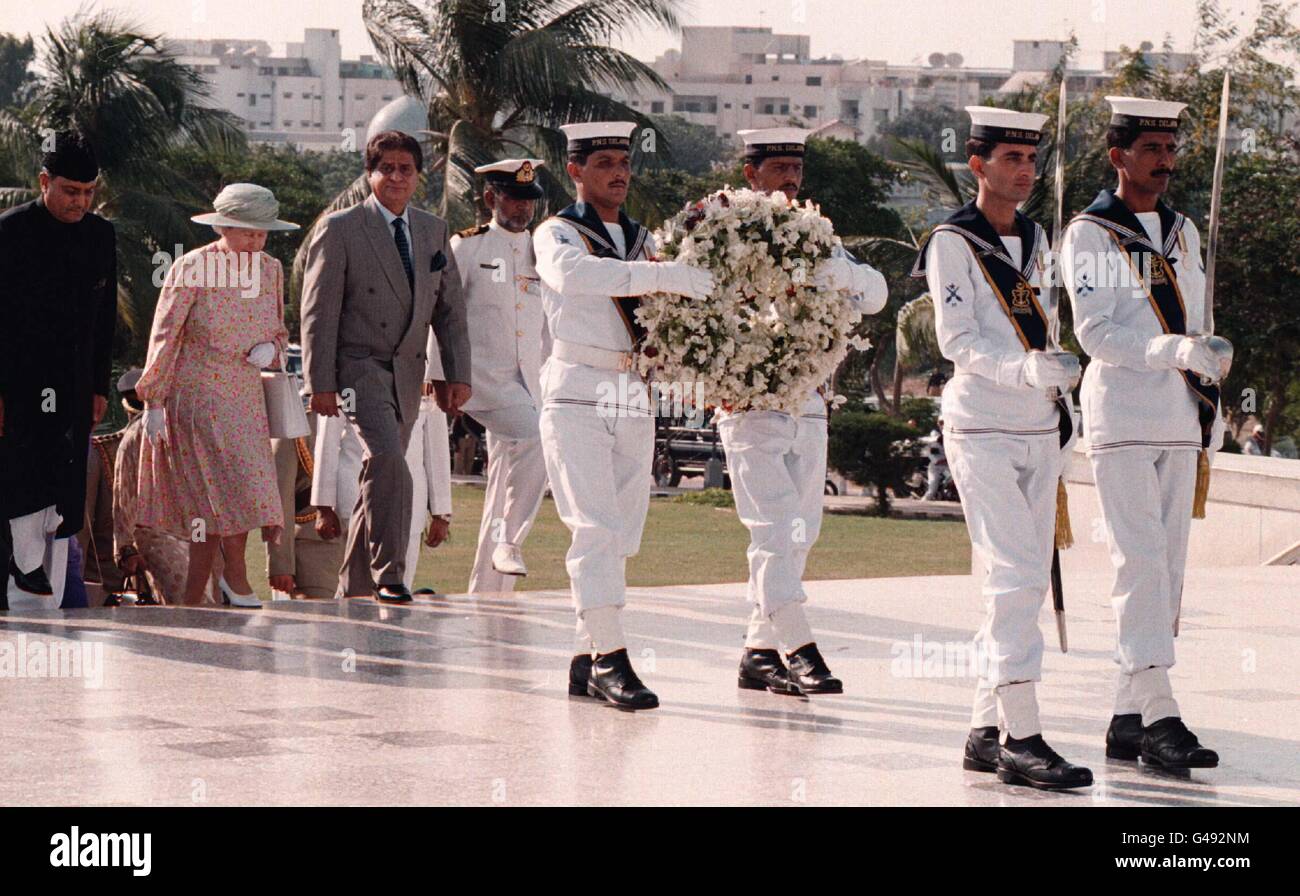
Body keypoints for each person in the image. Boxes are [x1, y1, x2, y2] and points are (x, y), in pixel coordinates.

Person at [914, 107, 1091, 790]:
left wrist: (1054, 388)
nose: (1025, 172)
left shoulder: (1038, 237)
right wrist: (1022, 370)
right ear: (977, 164)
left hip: (1038, 424)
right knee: (1017, 575)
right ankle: (1023, 735)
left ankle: (985, 729)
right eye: (1011, 159)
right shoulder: (953, 242)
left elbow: (1037, 322)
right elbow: (957, 339)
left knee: (1009, 577)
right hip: (983, 424)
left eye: (1031, 160)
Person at [1063, 96, 1227, 770]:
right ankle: (1162, 714)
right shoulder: (1092, 234)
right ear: (1118, 156)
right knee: (1140, 565)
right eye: (1150, 149)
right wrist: (1172, 352)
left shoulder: (1185, 230)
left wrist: (1208, 364)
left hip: (1180, 417)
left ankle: (1128, 716)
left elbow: (1195, 312)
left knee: (1170, 570)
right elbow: (1094, 332)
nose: (1164, 161)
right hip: (1124, 416)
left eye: (1169, 149)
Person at [535, 121, 713, 709]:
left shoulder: (642, 240)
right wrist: (665, 276)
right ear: (575, 171)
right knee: (594, 527)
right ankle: (613, 660)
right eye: (605, 161)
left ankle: (587, 657)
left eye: (625, 162)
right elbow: (574, 278)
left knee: (622, 534)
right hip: (578, 386)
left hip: (633, 389)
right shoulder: (557, 232)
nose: (618, 172)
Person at [719, 128, 888, 697]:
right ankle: (800, 646)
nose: (790, 178)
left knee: (800, 534)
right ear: (752, 175)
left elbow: (876, 292)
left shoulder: (822, 236)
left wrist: (831, 271)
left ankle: (757, 651)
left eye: (796, 167)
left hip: (810, 401)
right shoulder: (724, 230)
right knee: (772, 528)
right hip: (750, 401)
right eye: (778, 168)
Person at [300, 130, 470, 604]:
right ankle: (391, 575)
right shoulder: (341, 228)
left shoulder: (433, 230)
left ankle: (353, 588)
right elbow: (318, 312)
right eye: (386, 168)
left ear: (418, 176)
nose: (396, 177)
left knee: (380, 476)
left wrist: (456, 375)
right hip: (357, 370)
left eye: (406, 169)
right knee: (389, 460)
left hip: (409, 373)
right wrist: (321, 383)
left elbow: (450, 310)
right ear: (370, 173)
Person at [135, 182, 296, 608]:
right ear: (223, 227)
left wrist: (274, 348)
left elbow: (280, 328)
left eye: (262, 233)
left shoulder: (271, 269)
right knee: (214, 492)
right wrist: (153, 399)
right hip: (196, 391)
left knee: (240, 489)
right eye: (247, 231)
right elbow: (165, 335)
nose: (256, 240)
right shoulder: (192, 267)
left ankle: (208, 586)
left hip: (245, 393)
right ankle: (228, 580)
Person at [0, 130, 116, 606]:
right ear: (44, 181)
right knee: (19, 486)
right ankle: (14, 601)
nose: (80, 202)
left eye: (89, 193)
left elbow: (104, 318)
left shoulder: (99, 234)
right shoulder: (9, 232)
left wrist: (98, 386)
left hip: (72, 386)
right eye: (71, 191)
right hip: (17, 387)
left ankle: (48, 606)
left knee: (64, 498)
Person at [452, 159, 550, 594]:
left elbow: (544, 324)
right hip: (478, 378)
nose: (523, 209)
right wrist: (440, 374)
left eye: (529, 201)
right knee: (537, 439)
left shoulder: (542, 250)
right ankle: (509, 540)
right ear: (491, 198)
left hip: (527, 382)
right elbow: (445, 314)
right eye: (513, 198)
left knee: (502, 477)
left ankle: (489, 591)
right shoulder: (468, 246)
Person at [113, 369, 208, 605]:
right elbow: (125, 495)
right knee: (188, 605)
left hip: (193, 532)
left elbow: (124, 497)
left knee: (206, 606)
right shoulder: (136, 437)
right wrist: (125, 548)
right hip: (160, 534)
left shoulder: (188, 426)